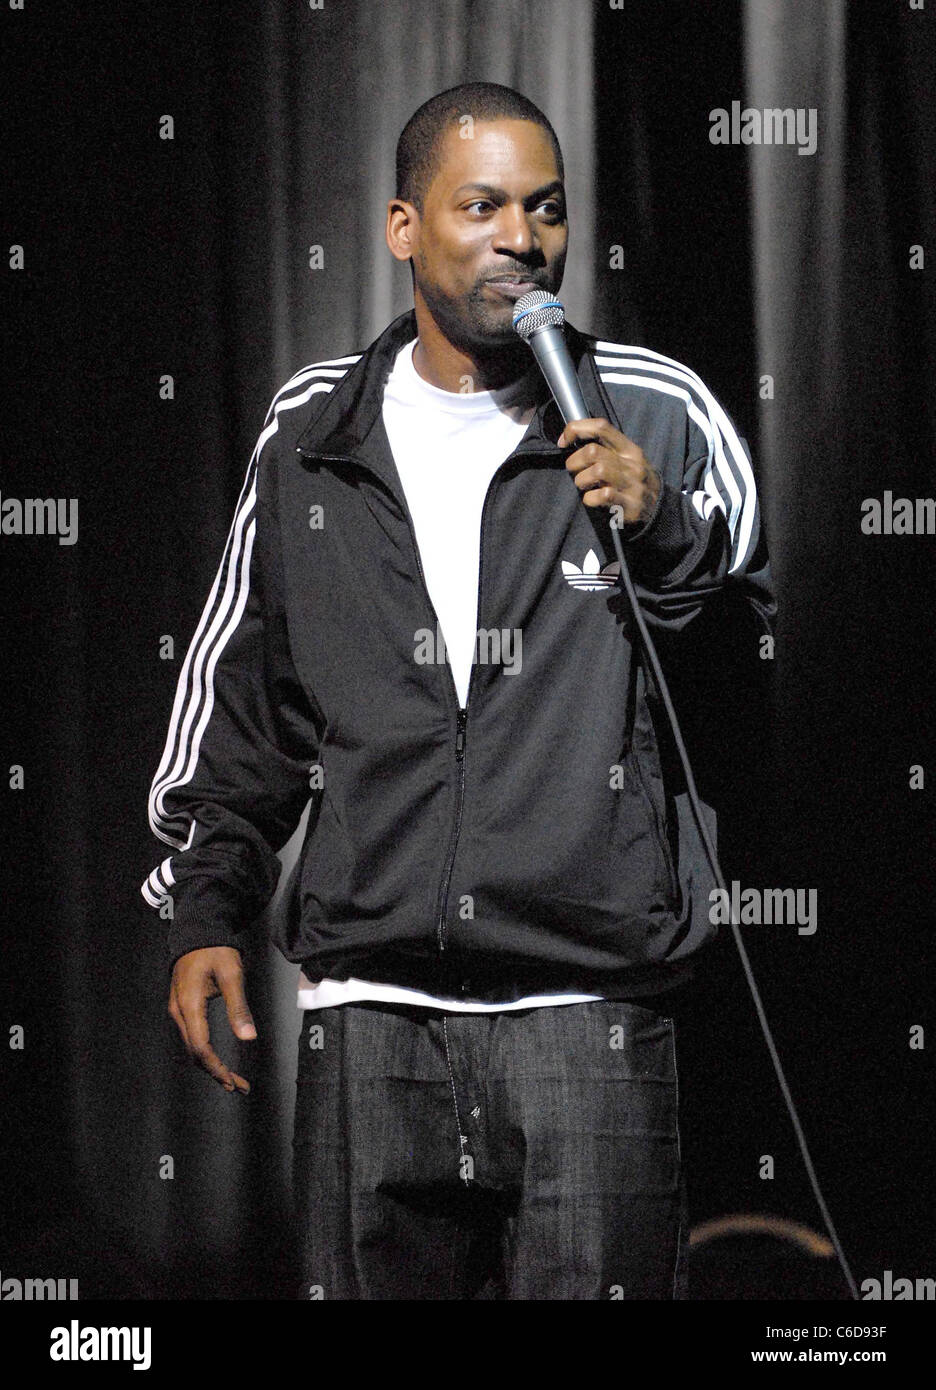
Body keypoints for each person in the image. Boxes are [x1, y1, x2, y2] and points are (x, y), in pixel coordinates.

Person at [142, 81, 775, 1300]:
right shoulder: (312, 431)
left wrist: (664, 531)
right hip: (369, 1009)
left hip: (585, 1005)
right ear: (401, 228)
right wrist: (207, 906)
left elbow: (755, 682)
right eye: (481, 206)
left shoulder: (650, 408)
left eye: (545, 208)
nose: (521, 240)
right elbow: (250, 700)